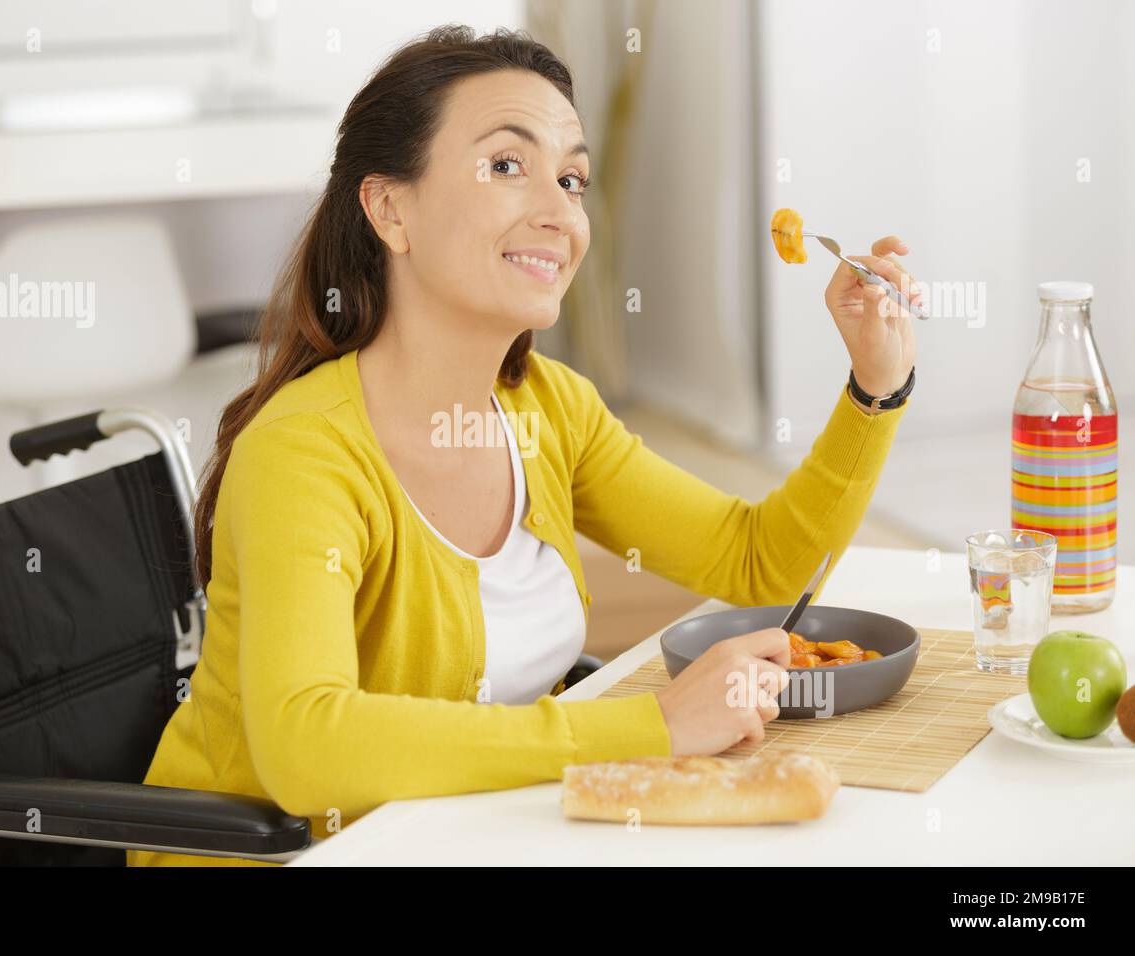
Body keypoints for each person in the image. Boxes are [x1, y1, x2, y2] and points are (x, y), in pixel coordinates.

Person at [129, 25, 919, 866]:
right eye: (506, 165)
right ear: (388, 207)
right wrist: (650, 724)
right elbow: (306, 744)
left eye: (571, 177)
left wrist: (877, 385)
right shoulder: (305, 452)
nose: (558, 212)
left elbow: (761, 561)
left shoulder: (550, 410)